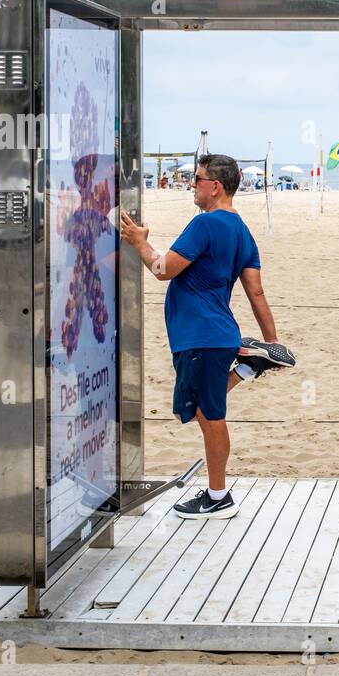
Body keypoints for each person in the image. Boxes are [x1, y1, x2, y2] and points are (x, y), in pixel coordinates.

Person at [119, 154, 291, 519]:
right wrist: (271, 339)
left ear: (215, 186)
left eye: (197, 179)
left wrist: (139, 243)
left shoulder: (205, 225)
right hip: (214, 335)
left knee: (209, 414)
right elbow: (255, 291)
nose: (192, 185)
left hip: (202, 337)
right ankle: (251, 365)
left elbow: (163, 269)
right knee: (201, 408)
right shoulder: (241, 230)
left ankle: (218, 497)